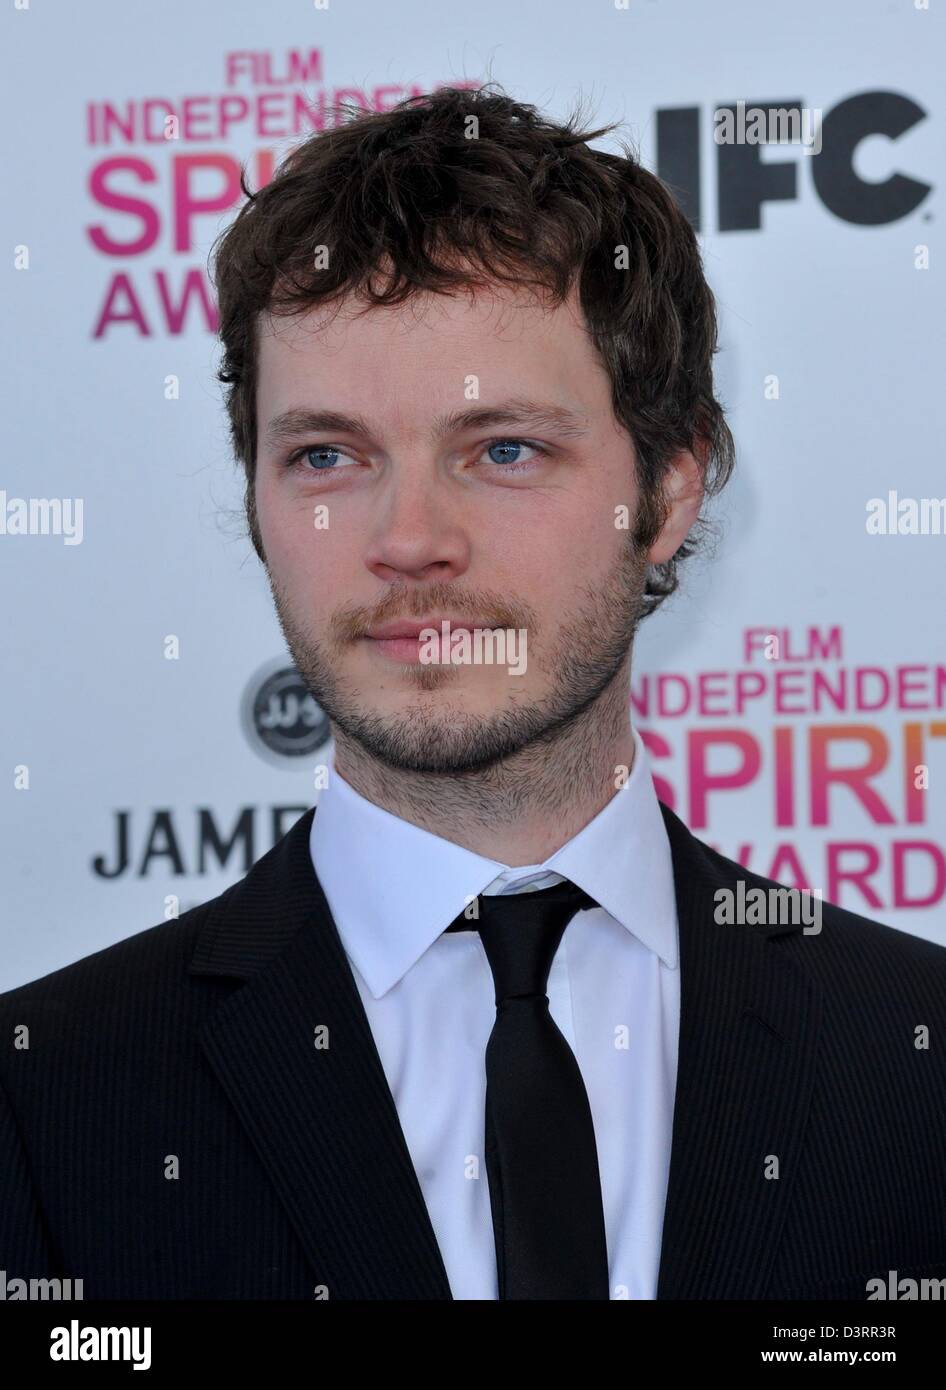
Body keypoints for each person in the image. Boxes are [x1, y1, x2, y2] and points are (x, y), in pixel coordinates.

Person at [2, 85, 945, 1302]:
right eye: (327, 456)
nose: (407, 540)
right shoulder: (46, 1100)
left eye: (503, 449)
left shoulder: (913, 1062)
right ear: (257, 501)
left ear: (666, 492)